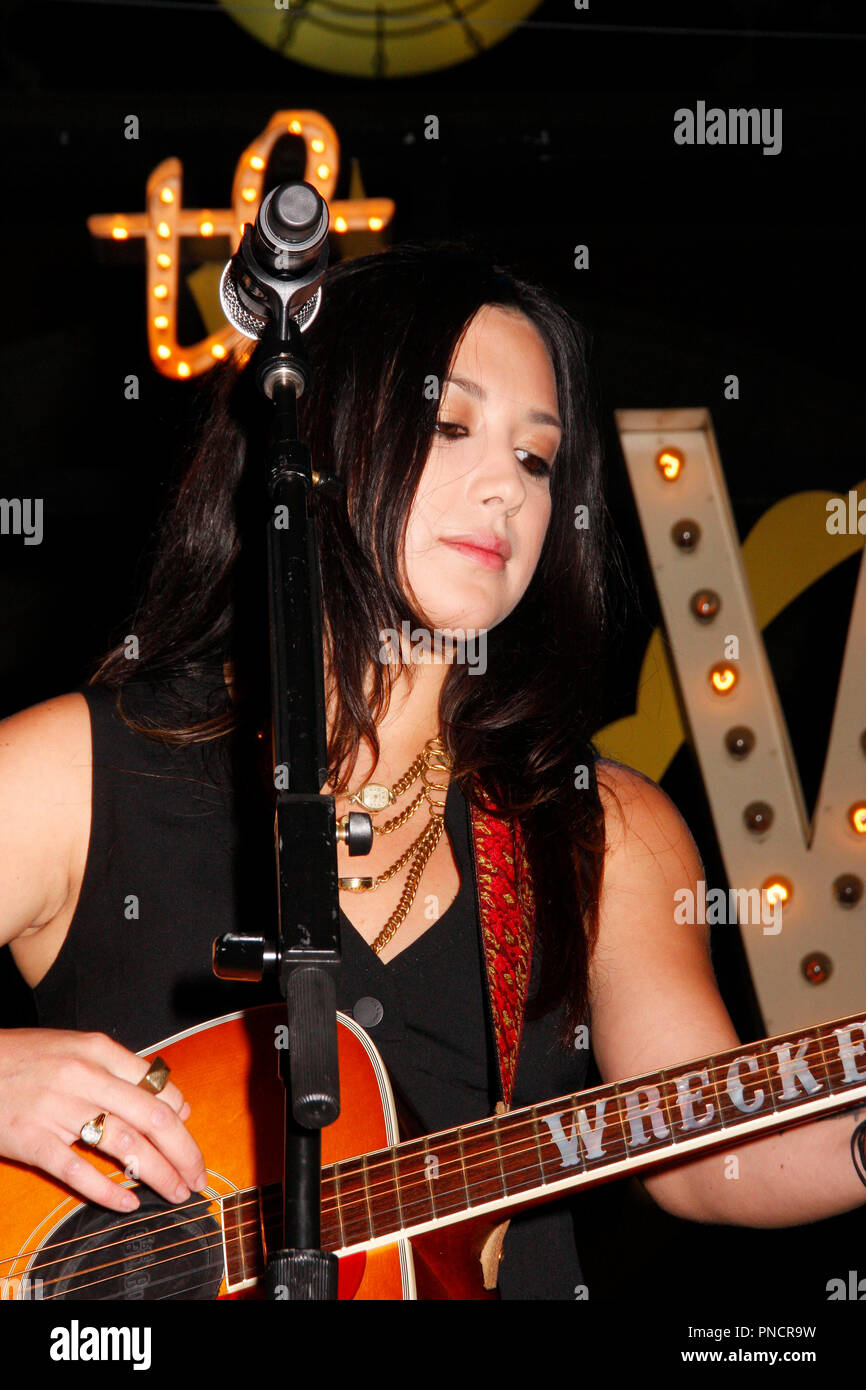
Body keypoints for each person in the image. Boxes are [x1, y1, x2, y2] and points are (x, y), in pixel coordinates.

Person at [0, 242, 864, 1301]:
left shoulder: (603, 828)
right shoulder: (76, 770)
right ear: (311, 443)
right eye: (450, 426)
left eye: (538, 460)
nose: (504, 484)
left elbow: (703, 1153)